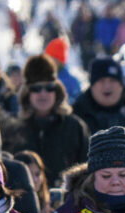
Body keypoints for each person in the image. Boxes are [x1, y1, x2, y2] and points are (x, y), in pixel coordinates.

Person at [9, 55, 89, 186]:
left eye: (49, 87)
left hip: (67, 202)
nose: (43, 93)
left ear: (57, 91)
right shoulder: (15, 128)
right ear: (27, 93)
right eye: (36, 88)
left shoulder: (74, 126)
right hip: (26, 202)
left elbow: (87, 169)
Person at [72, 57, 125, 135]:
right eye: (101, 81)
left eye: (112, 80)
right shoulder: (76, 115)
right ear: (92, 85)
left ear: (121, 85)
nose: (107, 86)